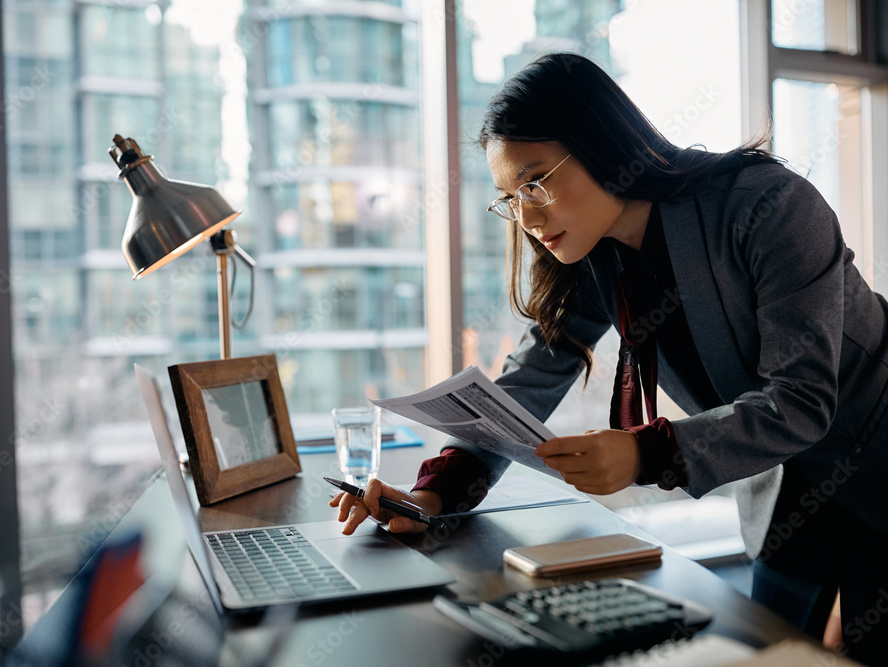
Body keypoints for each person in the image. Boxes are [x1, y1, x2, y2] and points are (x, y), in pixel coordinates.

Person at [329, 52, 888, 662]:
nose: (526, 217)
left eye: (535, 183)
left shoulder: (768, 205)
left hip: (877, 453)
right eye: (509, 197)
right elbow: (526, 384)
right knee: (771, 656)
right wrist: (433, 496)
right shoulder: (593, 254)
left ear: (601, 145)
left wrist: (646, 452)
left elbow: (801, 400)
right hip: (785, 493)